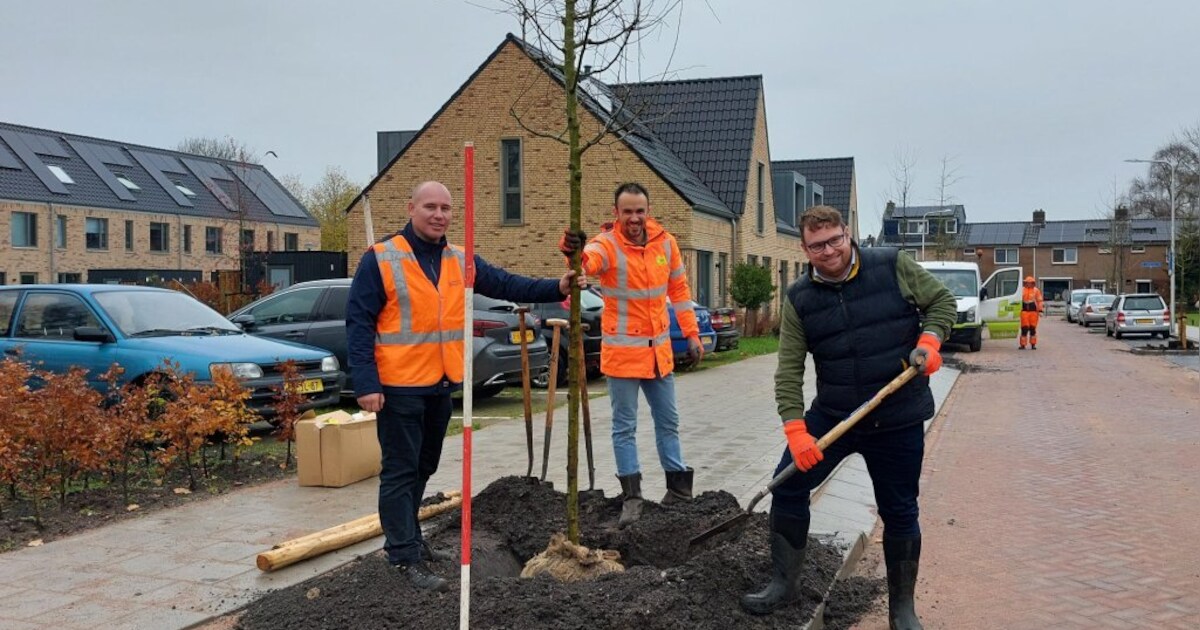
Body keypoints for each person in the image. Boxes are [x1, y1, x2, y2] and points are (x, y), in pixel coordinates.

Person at [346, 181, 582, 591]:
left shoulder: (459, 260)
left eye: (446, 208)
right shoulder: (381, 258)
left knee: (424, 466)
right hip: (398, 385)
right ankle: (402, 558)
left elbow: (507, 284)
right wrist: (366, 382)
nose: (439, 215)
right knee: (400, 471)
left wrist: (555, 287)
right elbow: (359, 323)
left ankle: (412, 542)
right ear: (411, 208)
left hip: (440, 384)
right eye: (430, 207)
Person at [740, 206, 956, 630]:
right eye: (818, 245)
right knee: (788, 487)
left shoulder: (891, 265)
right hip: (836, 415)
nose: (829, 250)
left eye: (835, 239)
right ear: (804, 249)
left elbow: (941, 302)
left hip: (896, 415)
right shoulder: (800, 297)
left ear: (848, 235)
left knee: (899, 510)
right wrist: (796, 430)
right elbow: (788, 369)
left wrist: (930, 341)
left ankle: (902, 610)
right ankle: (784, 586)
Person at [558, 182, 704, 528]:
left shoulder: (665, 244)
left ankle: (679, 490)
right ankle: (632, 496)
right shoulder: (608, 244)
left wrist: (692, 334)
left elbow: (680, 292)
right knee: (624, 427)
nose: (634, 218)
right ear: (616, 213)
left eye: (640, 211)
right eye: (628, 212)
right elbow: (587, 262)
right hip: (624, 358)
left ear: (647, 211)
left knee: (668, 422)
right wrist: (571, 251)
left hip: (659, 357)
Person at [1018, 276, 1044, 349]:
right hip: (1024, 312)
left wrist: (1040, 310)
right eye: (1027, 283)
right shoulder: (1022, 290)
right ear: (1025, 283)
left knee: (1033, 329)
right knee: (1024, 328)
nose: (1029, 284)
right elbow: (1018, 300)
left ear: (1033, 283)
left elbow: (1039, 301)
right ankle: (1023, 345)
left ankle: (1033, 344)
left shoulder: (1036, 290)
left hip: (1033, 313)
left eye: (1030, 283)